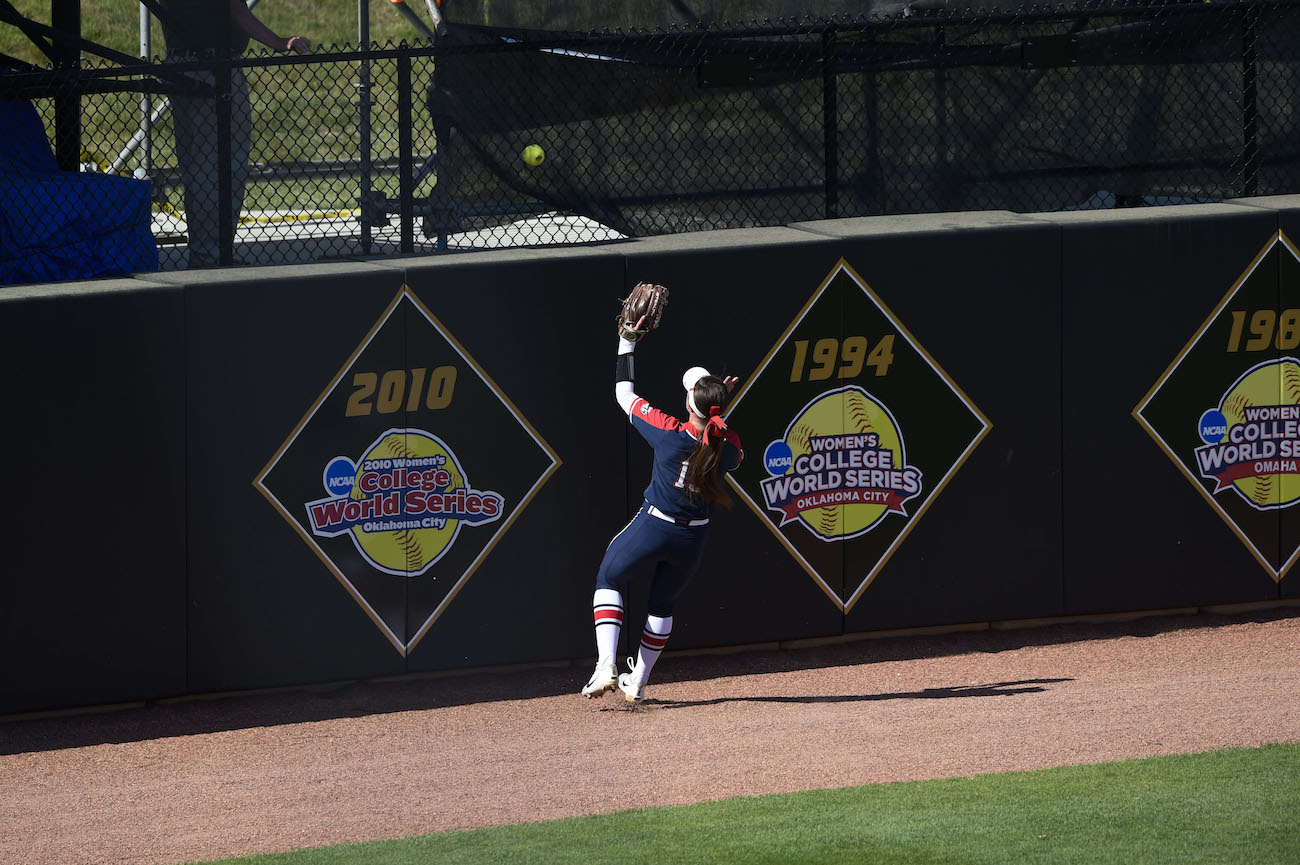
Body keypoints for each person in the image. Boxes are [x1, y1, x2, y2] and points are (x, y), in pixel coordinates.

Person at [581, 312, 743, 704]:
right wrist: (721, 405)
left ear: (689, 401)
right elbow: (722, 441)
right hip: (693, 537)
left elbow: (623, 393)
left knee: (608, 576)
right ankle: (639, 681)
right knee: (663, 603)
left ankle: (606, 665)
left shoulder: (670, 433)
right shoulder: (729, 446)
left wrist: (627, 341)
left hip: (655, 526)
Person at [156, 0, 310, 268]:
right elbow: (235, 10)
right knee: (223, 164)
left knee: (198, 165)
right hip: (214, 65)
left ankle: (206, 253)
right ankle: (214, 254)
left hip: (183, 61)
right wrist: (279, 42)